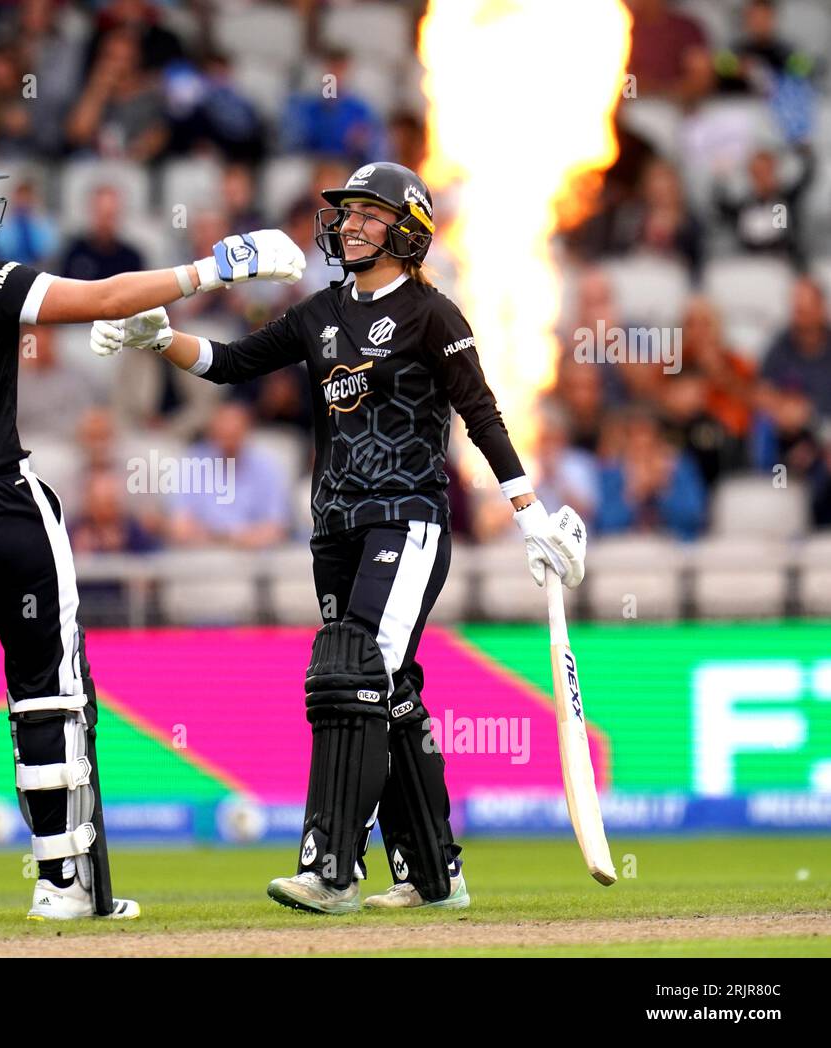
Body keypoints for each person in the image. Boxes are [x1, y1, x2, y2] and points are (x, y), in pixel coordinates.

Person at [0, 127, 305, 923]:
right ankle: (64, 887)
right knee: (48, 689)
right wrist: (215, 266)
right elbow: (108, 298)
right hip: (1, 506)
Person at [90, 162, 588, 914]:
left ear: (409, 230)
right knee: (389, 693)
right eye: (347, 213)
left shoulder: (432, 315)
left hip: (409, 520)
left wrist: (527, 511)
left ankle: (331, 869)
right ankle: (432, 874)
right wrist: (161, 340)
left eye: (368, 214)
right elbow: (229, 366)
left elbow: (482, 416)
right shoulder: (320, 313)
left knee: (347, 673)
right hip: (336, 529)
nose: (349, 224)